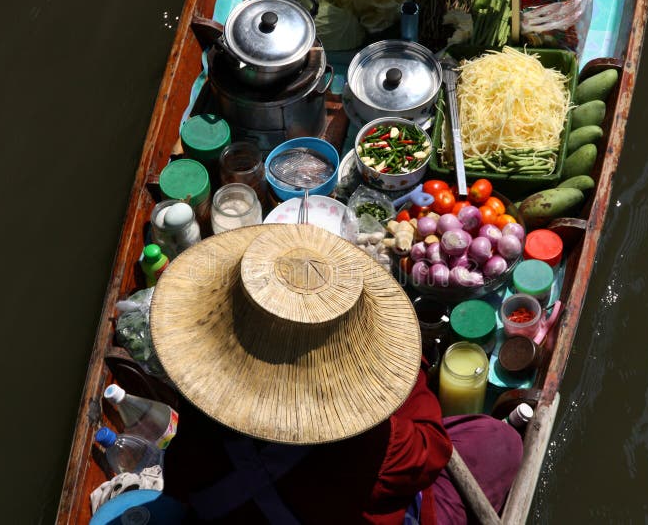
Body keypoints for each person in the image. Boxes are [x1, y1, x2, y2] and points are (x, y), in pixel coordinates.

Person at [151, 224, 524, 524]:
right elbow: (432, 452)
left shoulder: (202, 402)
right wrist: (408, 368)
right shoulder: (374, 440)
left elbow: (181, 480)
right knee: (498, 440)